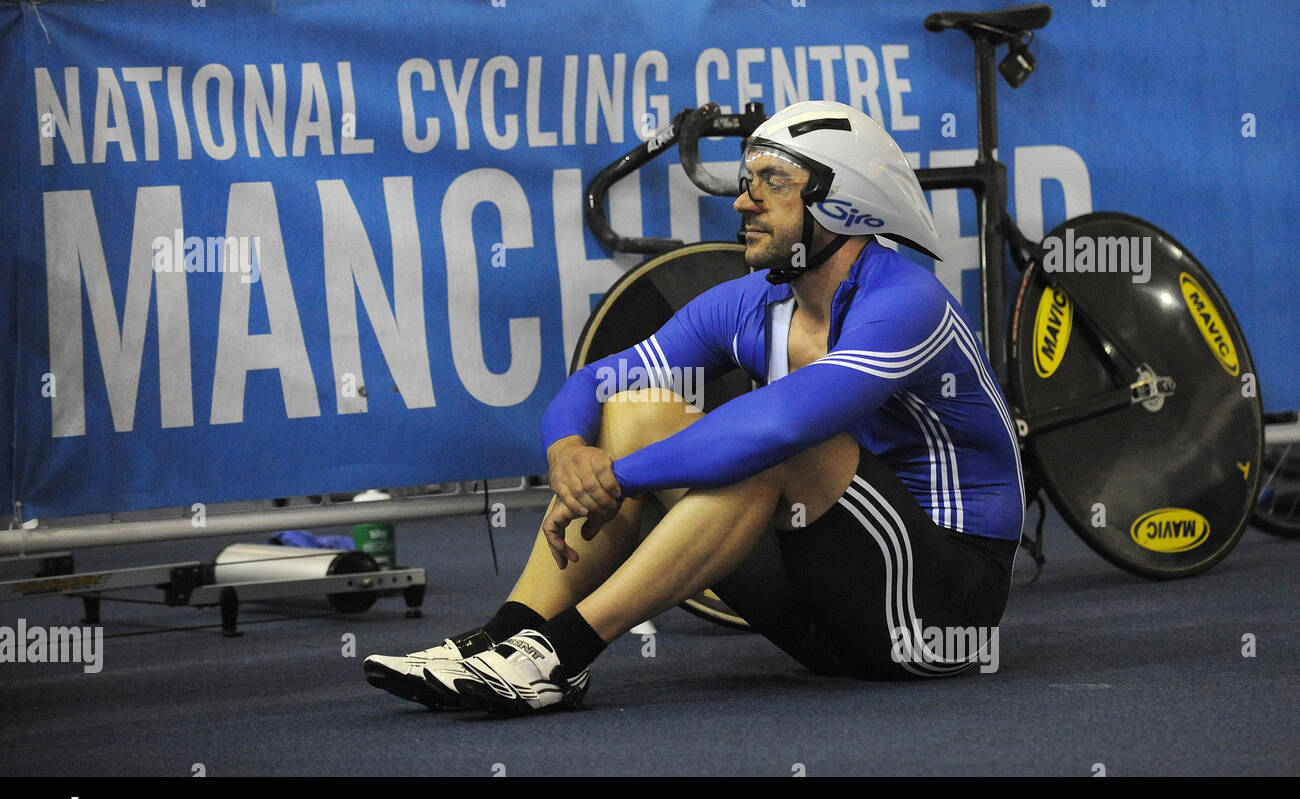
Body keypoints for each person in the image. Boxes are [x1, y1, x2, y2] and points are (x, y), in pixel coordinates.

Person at [364, 100, 1025, 715]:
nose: (744, 199)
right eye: (747, 180)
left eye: (770, 182)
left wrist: (617, 477)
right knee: (636, 406)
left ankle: (558, 655)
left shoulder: (907, 300)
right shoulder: (753, 302)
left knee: (780, 443)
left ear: (839, 202)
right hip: (826, 619)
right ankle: (510, 634)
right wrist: (569, 451)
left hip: (941, 615)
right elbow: (595, 384)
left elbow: (781, 425)